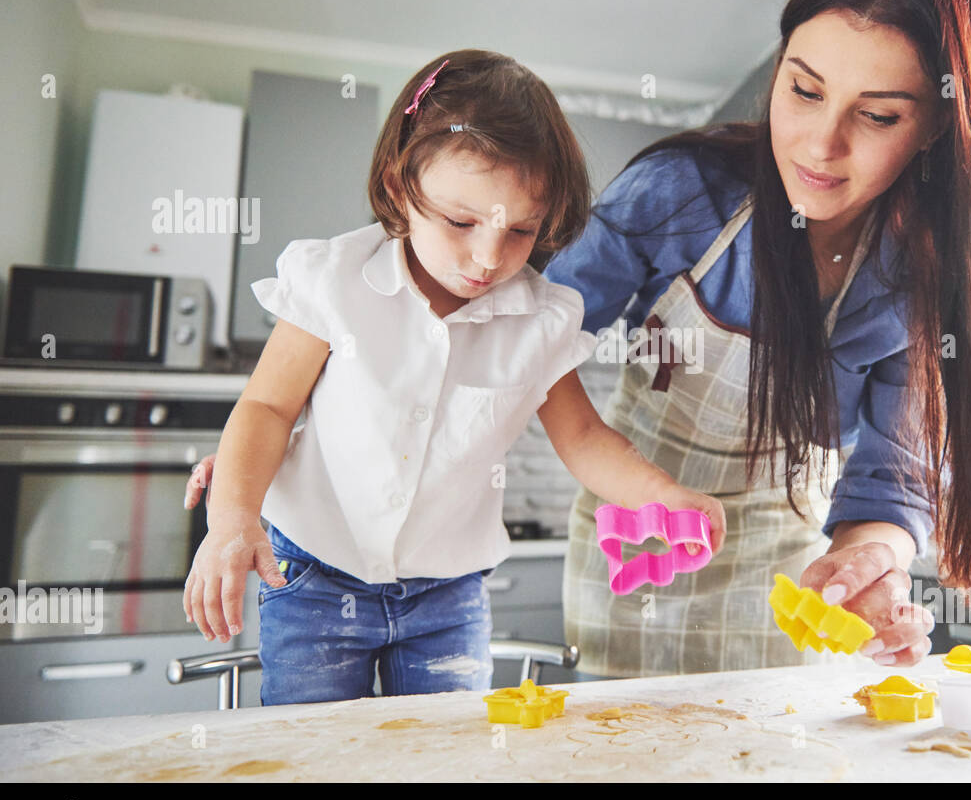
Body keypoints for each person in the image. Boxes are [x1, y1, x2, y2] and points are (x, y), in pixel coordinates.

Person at [540, 0, 971, 678]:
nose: (821, 142)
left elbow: (889, 481)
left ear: (935, 127)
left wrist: (863, 565)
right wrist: (636, 482)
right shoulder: (680, 192)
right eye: (804, 90)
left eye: (877, 115)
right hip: (636, 536)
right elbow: (538, 343)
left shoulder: (917, 277)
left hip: (783, 563)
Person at [181, 49, 724, 705]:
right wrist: (234, 513)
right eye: (461, 221)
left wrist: (661, 494)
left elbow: (582, 436)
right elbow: (267, 407)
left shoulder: (542, 318)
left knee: (450, 756)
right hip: (315, 579)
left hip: (448, 598)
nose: (489, 257)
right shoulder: (333, 280)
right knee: (311, 754)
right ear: (398, 185)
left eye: (522, 230)